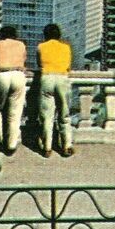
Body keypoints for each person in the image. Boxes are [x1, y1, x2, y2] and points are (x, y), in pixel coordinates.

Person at [37, 23, 74, 157]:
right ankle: (67, 145)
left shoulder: (41, 47)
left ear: (45, 35)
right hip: (62, 78)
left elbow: (39, 64)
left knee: (47, 116)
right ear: (59, 35)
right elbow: (68, 66)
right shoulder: (66, 47)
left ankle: (47, 147)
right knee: (64, 114)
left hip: (46, 78)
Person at [0, 25, 28, 154]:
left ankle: (0, 139)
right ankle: (11, 144)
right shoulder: (21, 44)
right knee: (15, 113)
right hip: (18, 75)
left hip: (2, 75)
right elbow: (24, 60)